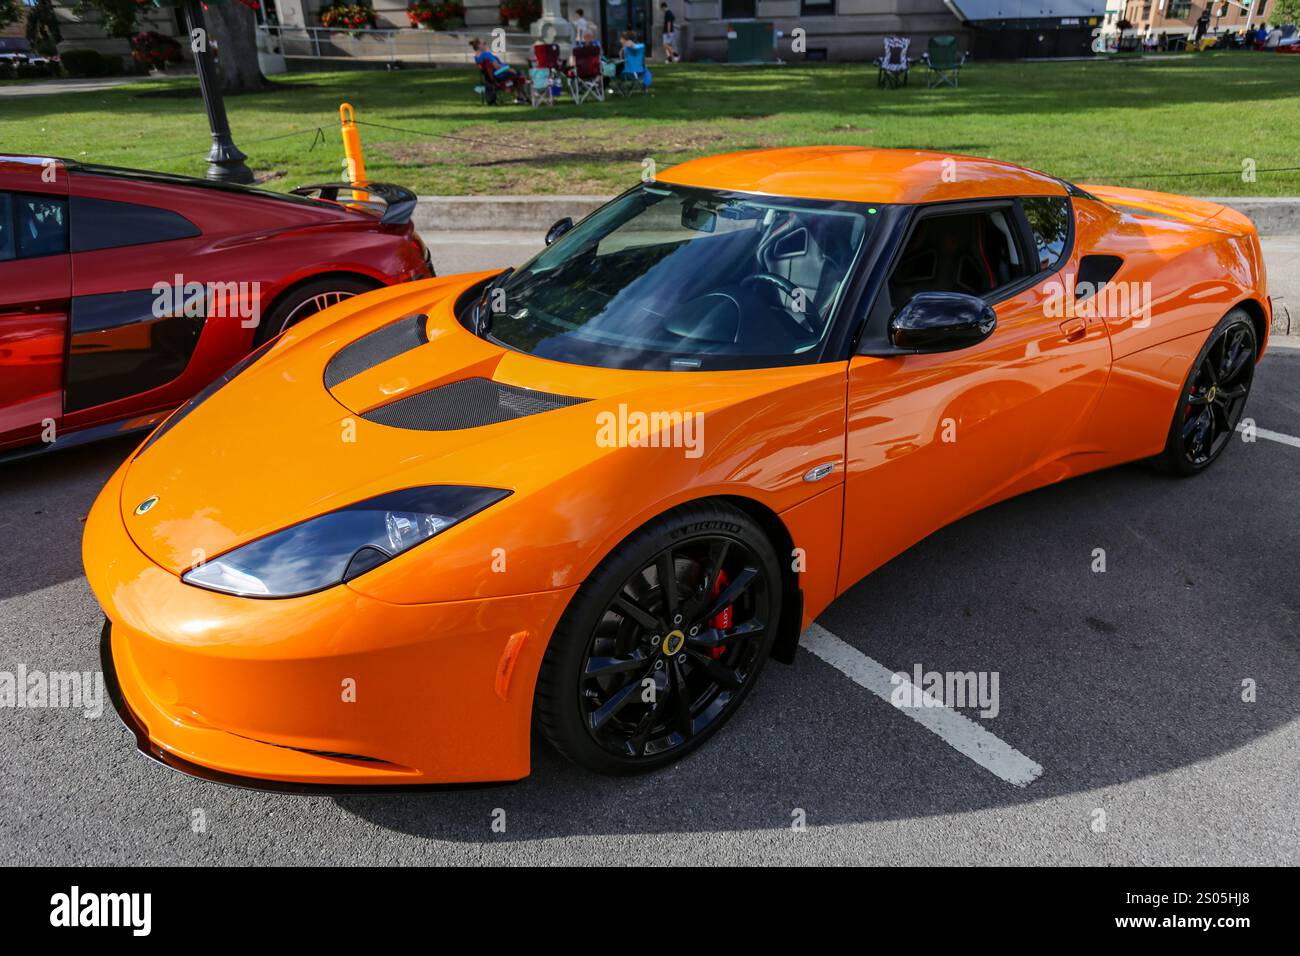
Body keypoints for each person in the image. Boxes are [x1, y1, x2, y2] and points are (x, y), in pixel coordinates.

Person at [468, 38, 526, 103]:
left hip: (491, 77)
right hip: (499, 74)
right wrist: (508, 68)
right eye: (483, 43)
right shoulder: (486, 54)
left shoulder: (477, 57)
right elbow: (497, 66)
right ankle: (521, 97)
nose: (485, 45)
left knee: (516, 74)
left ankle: (519, 96)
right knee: (520, 74)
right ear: (479, 46)